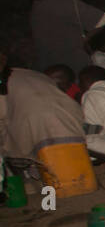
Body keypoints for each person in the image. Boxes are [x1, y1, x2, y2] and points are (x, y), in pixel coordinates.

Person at [0, 58, 95, 194]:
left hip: (34, 119)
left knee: (16, 149)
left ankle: (30, 185)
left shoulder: (4, 79)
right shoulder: (34, 74)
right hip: (69, 113)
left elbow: (2, 117)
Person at [22, 0, 105, 73]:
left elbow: (104, 19)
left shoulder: (63, 2)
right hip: (49, 65)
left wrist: (82, 40)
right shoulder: (37, 5)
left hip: (72, 65)